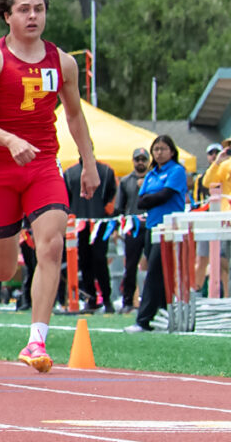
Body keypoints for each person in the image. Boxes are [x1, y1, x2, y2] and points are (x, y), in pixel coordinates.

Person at [0, 0, 99, 373]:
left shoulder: (63, 62)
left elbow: (74, 115)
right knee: (4, 269)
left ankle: (37, 339)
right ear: (7, 16)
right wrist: (9, 140)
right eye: (24, 9)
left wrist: (88, 163)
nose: (33, 16)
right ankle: (14, 248)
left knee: (52, 246)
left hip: (42, 164)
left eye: (39, 9)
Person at [125, 135, 188, 332]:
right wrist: (153, 198)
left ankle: (143, 320)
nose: (159, 153)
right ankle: (161, 315)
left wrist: (151, 198)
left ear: (172, 151)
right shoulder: (152, 174)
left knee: (154, 271)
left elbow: (165, 195)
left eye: (163, 149)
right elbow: (140, 202)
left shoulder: (177, 171)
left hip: (168, 228)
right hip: (151, 227)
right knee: (158, 272)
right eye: (156, 149)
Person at [64, 159, 118, 313]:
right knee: (84, 261)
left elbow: (113, 193)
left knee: (100, 260)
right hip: (79, 224)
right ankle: (91, 298)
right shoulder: (70, 173)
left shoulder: (106, 171)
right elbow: (66, 197)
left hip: (99, 223)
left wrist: (108, 211)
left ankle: (106, 298)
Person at [115, 147, 149, 313]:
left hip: (151, 226)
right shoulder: (125, 181)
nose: (140, 162)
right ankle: (127, 300)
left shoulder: (153, 179)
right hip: (132, 227)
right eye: (138, 159)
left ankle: (152, 300)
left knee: (153, 264)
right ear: (133, 161)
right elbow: (119, 207)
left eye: (143, 159)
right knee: (130, 265)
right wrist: (117, 229)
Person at [200, 138, 231, 296]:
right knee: (224, 260)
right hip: (227, 218)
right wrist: (217, 162)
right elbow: (207, 182)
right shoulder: (224, 166)